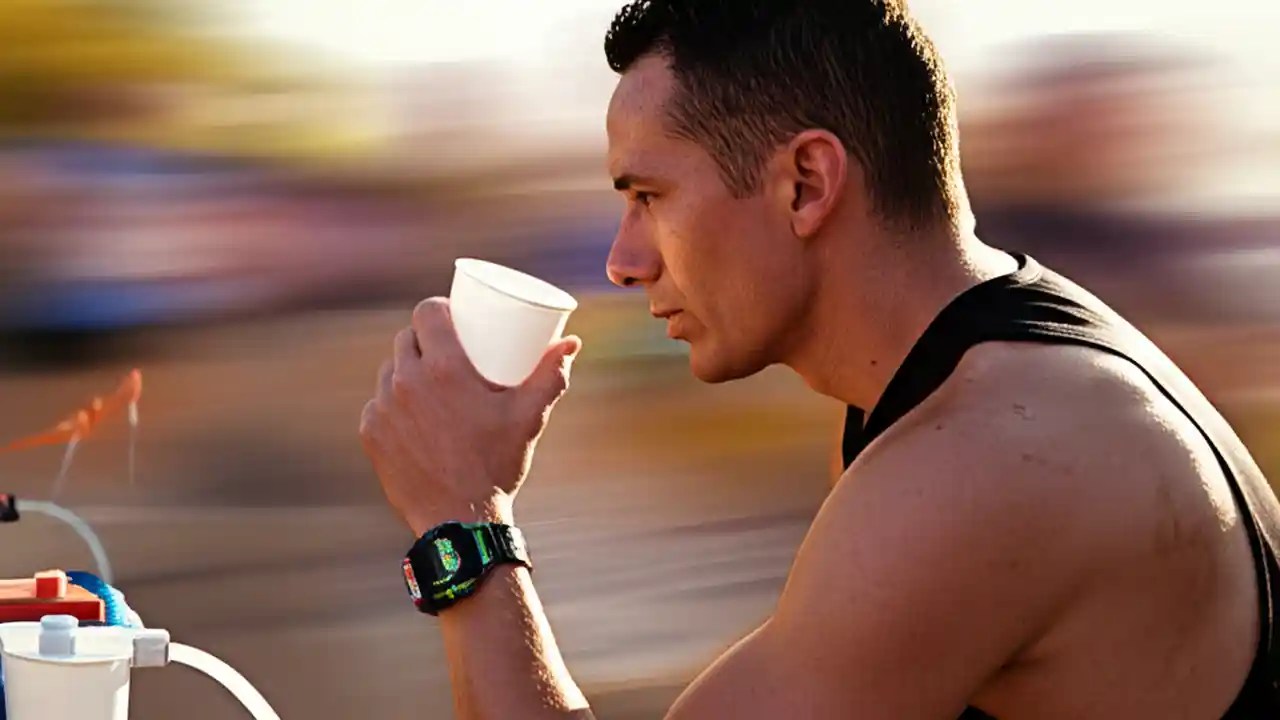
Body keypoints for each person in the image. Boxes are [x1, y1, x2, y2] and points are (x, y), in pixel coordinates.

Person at [358, 2, 1280, 718]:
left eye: (648, 195)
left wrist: (463, 521)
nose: (624, 261)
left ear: (805, 183)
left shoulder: (987, 461)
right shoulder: (992, 380)